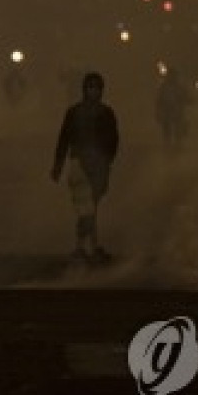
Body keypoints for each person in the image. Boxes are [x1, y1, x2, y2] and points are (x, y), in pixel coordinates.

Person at [51, 72, 119, 264]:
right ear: (84, 89)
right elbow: (64, 139)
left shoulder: (106, 113)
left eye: (96, 87)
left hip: (98, 166)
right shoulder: (74, 113)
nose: (93, 91)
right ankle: (84, 247)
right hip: (79, 164)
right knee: (86, 209)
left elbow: (113, 141)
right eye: (90, 87)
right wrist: (58, 165)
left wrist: (106, 162)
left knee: (91, 208)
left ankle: (88, 246)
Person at [155, 69, 192, 152]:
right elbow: (159, 100)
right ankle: (171, 147)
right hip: (171, 112)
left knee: (173, 130)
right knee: (170, 130)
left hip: (174, 112)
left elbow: (187, 98)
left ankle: (174, 146)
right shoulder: (168, 87)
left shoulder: (169, 87)